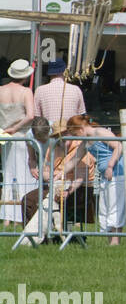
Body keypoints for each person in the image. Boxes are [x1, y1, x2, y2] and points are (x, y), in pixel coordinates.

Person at [66, 114, 124, 245]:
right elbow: (74, 160)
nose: (75, 138)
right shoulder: (86, 142)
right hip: (105, 177)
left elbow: (118, 146)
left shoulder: (100, 132)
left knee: (115, 207)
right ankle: (111, 241)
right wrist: (57, 174)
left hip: (117, 174)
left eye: (75, 134)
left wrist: (110, 165)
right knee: (105, 208)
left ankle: (115, 241)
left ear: (81, 129)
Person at [0, 58, 36, 226]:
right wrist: (15, 128)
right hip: (20, 136)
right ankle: (22, 215)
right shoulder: (26, 92)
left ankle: (7, 217)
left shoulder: (1, 90)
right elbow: (30, 116)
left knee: (8, 176)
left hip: (4, 137)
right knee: (24, 176)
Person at [33, 58, 85, 133]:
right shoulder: (76, 89)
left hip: (49, 134)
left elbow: (37, 118)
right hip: (71, 134)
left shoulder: (39, 90)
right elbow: (82, 115)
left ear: (49, 73)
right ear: (64, 71)